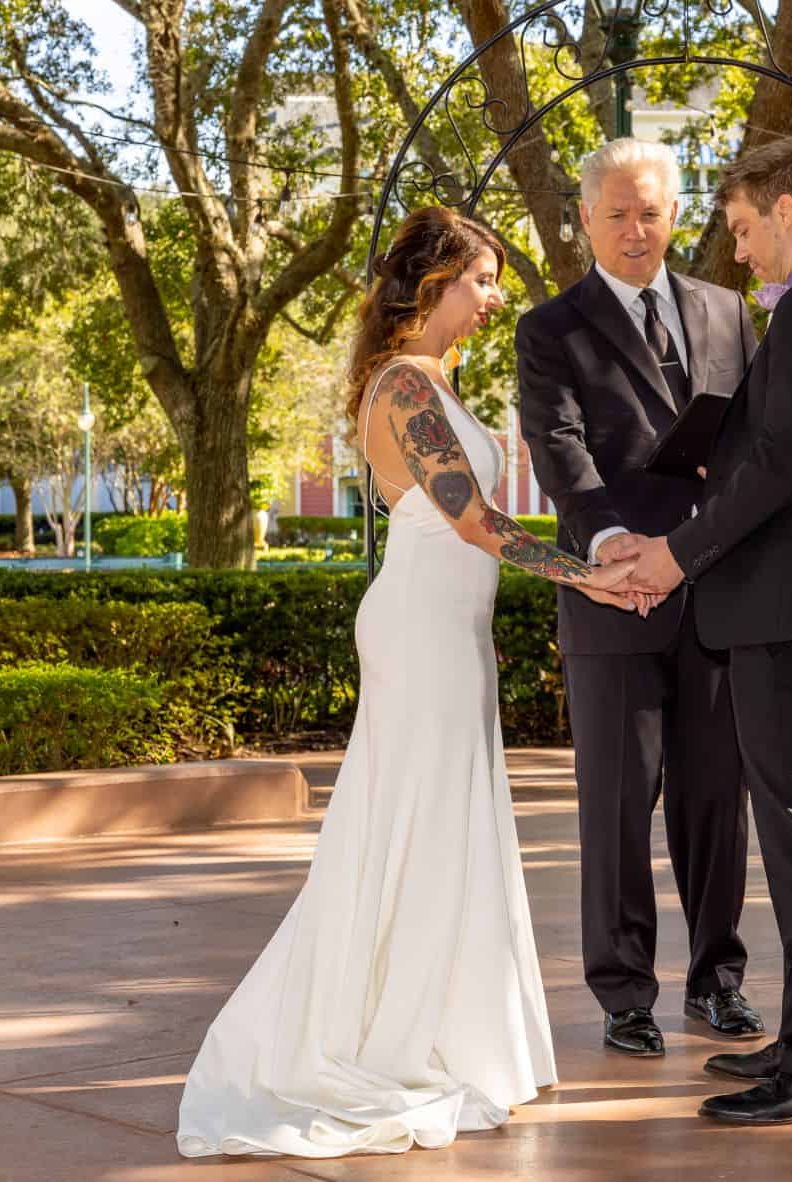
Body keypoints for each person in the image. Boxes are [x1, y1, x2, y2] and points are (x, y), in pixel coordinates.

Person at [176, 206, 638, 1159]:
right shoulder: (401, 385)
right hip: (419, 628)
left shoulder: (431, 380)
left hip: (449, 630)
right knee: (416, 824)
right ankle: (392, 1037)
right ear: (433, 282)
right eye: (481, 279)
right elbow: (469, 516)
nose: (494, 297)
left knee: (443, 824)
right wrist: (586, 574)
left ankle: (443, 1028)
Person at [624, 137, 792, 1126]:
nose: (737, 252)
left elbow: (784, 463)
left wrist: (677, 553)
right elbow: (783, 452)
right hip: (791, 604)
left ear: (787, 208)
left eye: (742, 228)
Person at [516, 138, 764, 1059]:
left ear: (675, 214)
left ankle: (718, 982)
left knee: (716, 805)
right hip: (611, 595)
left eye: (650, 212)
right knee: (616, 807)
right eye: (616, 214)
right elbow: (558, 446)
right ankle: (623, 995)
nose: (634, 230)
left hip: (716, 592)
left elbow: (756, 441)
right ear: (584, 218)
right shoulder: (550, 329)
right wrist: (610, 543)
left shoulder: (729, 311)